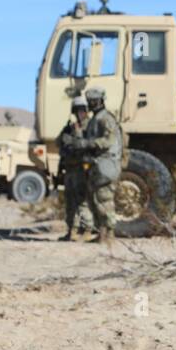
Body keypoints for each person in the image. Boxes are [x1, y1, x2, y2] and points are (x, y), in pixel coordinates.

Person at [61, 85, 122, 244]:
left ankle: (109, 235)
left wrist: (87, 143)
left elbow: (109, 141)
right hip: (97, 165)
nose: (91, 104)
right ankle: (102, 233)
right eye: (90, 101)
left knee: (104, 200)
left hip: (106, 164)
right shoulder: (96, 118)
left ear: (100, 101)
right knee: (96, 200)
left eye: (93, 101)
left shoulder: (105, 118)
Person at [58, 97, 94, 241]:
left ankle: (87, 229)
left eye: (83, 110)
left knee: (82, 200)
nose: (81, 113)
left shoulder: (90, 127)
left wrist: (77, 138)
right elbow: (60, 143)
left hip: (82, 168)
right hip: (70, 168)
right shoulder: (70, 127)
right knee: (70, 201)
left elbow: (88, 146)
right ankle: (71, 230)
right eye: (78, 110)